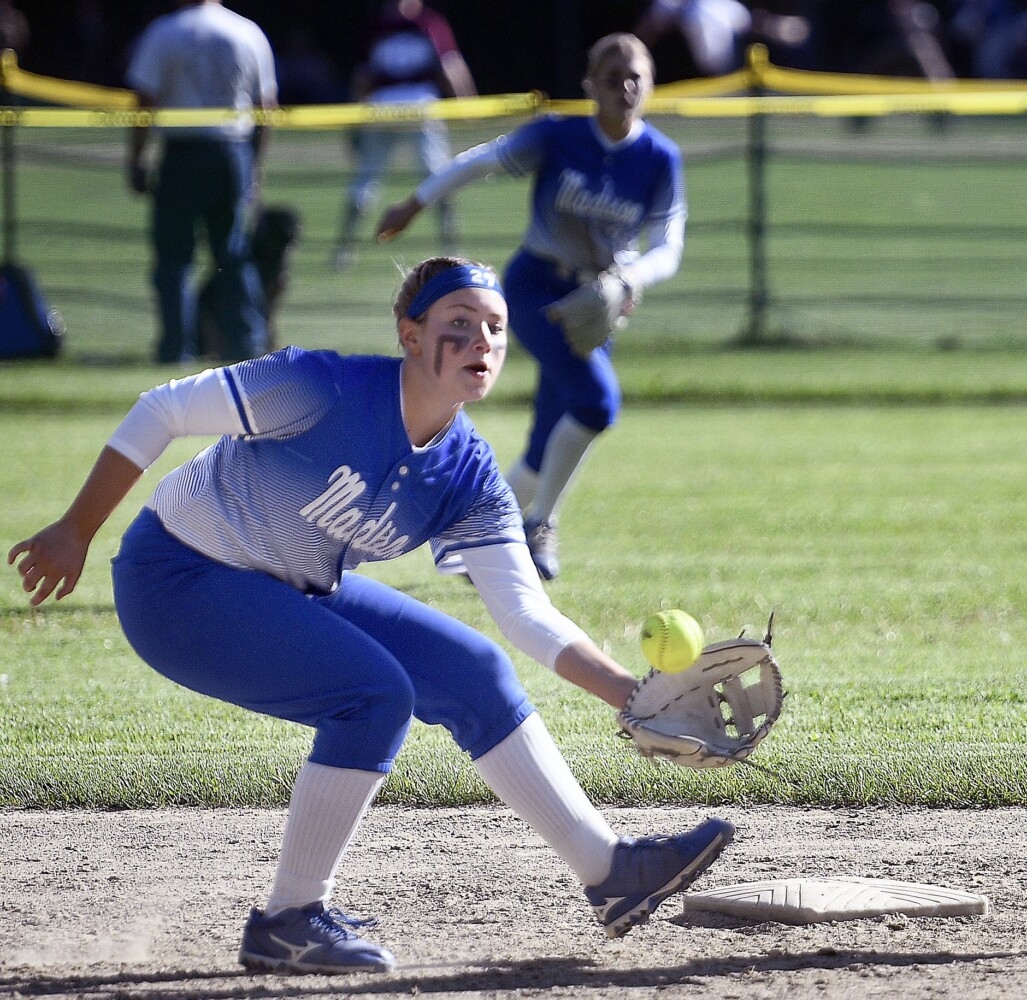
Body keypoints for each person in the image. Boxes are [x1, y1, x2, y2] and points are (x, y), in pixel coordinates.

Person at [7, 256, 734, 974]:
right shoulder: (322, 385)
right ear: (409, 335)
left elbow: (524, 614)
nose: (482, 341)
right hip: (176, 578)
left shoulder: (470, 474)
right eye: (459, 323)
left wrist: (637, 698)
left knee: (474, 668)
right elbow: (164, 408)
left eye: (495, 328)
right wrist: (77, 528)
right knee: (374, 694)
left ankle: (610, 872)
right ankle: (288, 919)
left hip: (288, 584)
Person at [377, 33, 687, 582]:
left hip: (600, 299)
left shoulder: (659, 157)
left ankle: (473, 536)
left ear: (653, 83)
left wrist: (627, 281)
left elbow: (669, 245)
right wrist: (415, 201)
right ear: (590, 86)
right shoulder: (560, 136)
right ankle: (538, 523)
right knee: (596, 403)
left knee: (549, 433)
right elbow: (481, 163)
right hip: (537, 287)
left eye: (637, 75)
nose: (626, 86)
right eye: (613, 77)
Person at [126, 0, 274, 364]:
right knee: (234, 255)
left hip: (181, 153)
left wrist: (137, 157)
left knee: (174, 258)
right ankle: (246, 346)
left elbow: (144, 99)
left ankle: (176, 348)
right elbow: (265, 106)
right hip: (231, 151)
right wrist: (255, 165)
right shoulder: (247, 31)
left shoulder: (166, 31)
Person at [332, 0, 476, 270]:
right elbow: (451, 67)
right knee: (435, 178)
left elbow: (362, 78)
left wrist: (354, 120)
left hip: (392, 108)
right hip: (410, 107)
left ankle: (344, 249)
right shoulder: (423, 22)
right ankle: (452, 246)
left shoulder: (388, 24)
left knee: (372, 180)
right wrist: (467, 102)